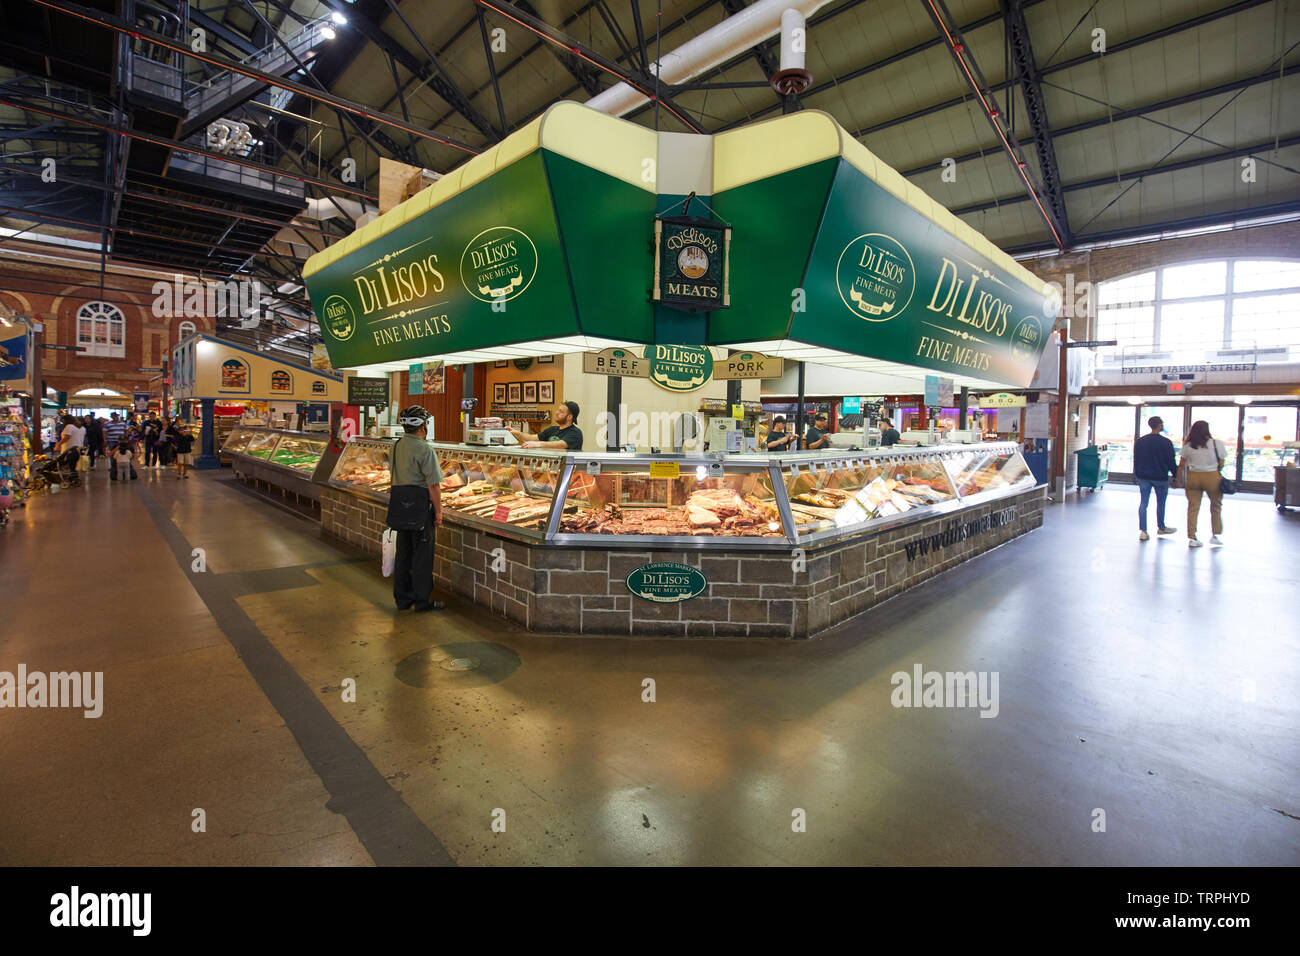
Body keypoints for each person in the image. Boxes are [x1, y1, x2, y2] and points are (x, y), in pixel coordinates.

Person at [390, 405, 445, 612]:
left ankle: (403, 599)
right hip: (420, 507)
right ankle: (422, 601)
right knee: (422, 556)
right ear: (422, 426)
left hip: (400, 504)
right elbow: (433, 485)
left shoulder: (395, 446)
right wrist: (439, 512)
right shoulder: (425, 449)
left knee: (403, 553)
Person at [1179, 420, 1228, 548]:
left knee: (1193, 507)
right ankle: (1215, 535)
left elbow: (1182, 464)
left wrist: (1178, 479)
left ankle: (1192, 537)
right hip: (1212, 476)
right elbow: (1222, 462)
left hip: (1193, 476)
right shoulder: (1217, 444)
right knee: (1216, 506)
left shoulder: (1188, 445)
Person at [1132, 416, 1178, 541]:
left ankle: (1143, 531)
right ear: (1159, 425)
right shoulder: (1166, 442)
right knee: (1161, 502)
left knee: (1144, 503)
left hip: (1143, 477)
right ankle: (1161, 527)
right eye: (1162, 424)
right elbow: (1171, 461)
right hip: (1160, 477)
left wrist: (1136, 474)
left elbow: (1136, 459)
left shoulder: (1140, 441)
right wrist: (1175, 476)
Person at [511, 401, 583, 450]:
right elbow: (530, 438)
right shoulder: (552, 429)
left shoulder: (575, 433)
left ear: (569, 417)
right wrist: (514, 432)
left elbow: (561, 444)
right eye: (558, 410)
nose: (556, 413)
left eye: (561, 411)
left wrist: (538, 444)